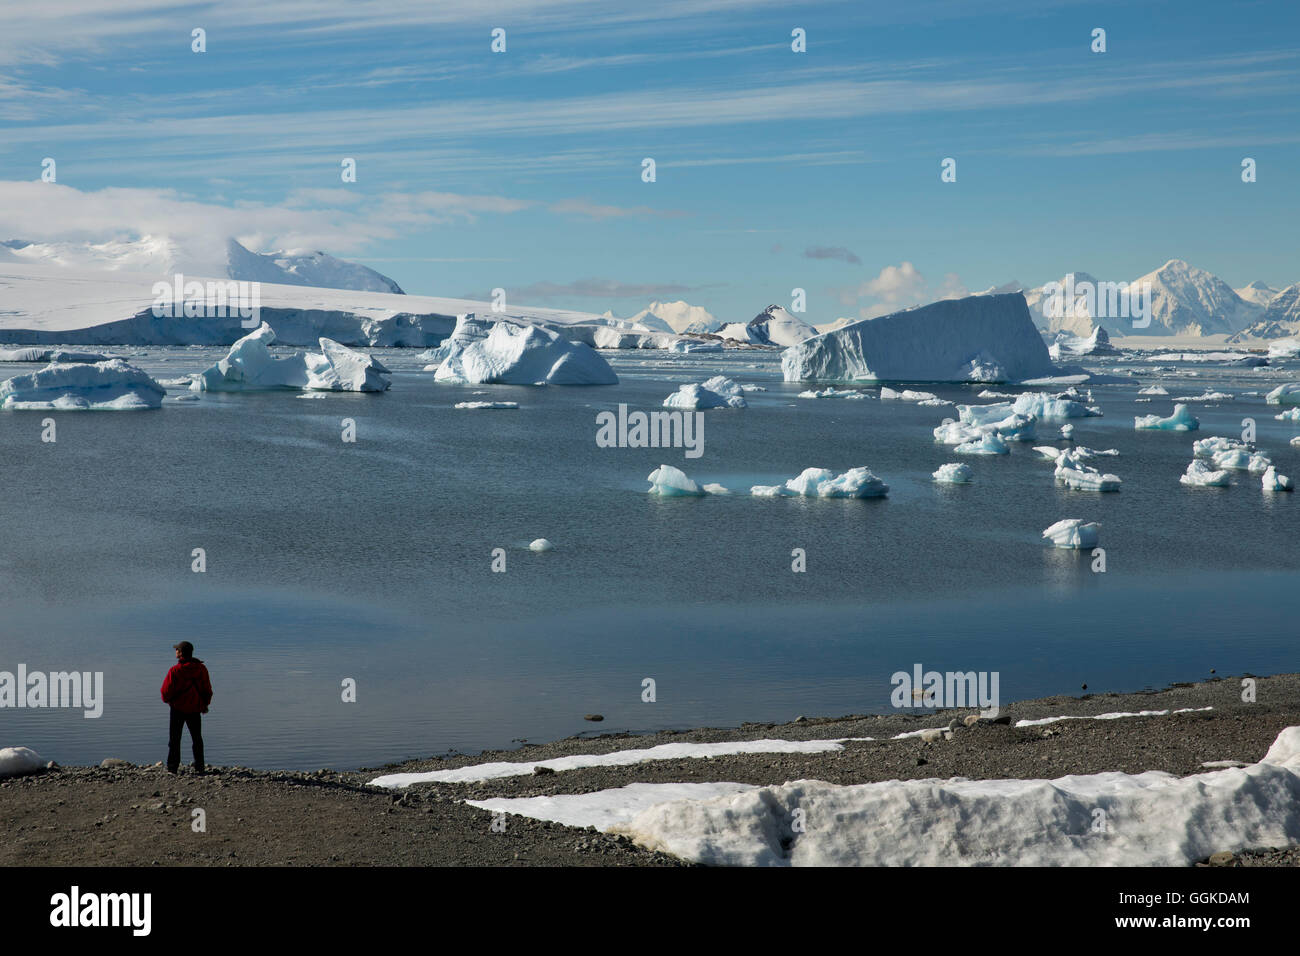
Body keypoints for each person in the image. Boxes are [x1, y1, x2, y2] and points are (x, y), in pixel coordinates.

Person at [161, 641, 212, 774]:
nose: (175, 651)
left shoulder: (175, 670)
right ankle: (200, 766)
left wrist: (168, 701)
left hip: (177, 708)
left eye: (177, 650)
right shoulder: (201, 669)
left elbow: (166, 691)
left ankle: (172, 767)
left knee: (174, 739)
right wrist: (205, 704)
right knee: (197, 739)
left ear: (180, 653)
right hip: (195, 709)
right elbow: (207, 689)